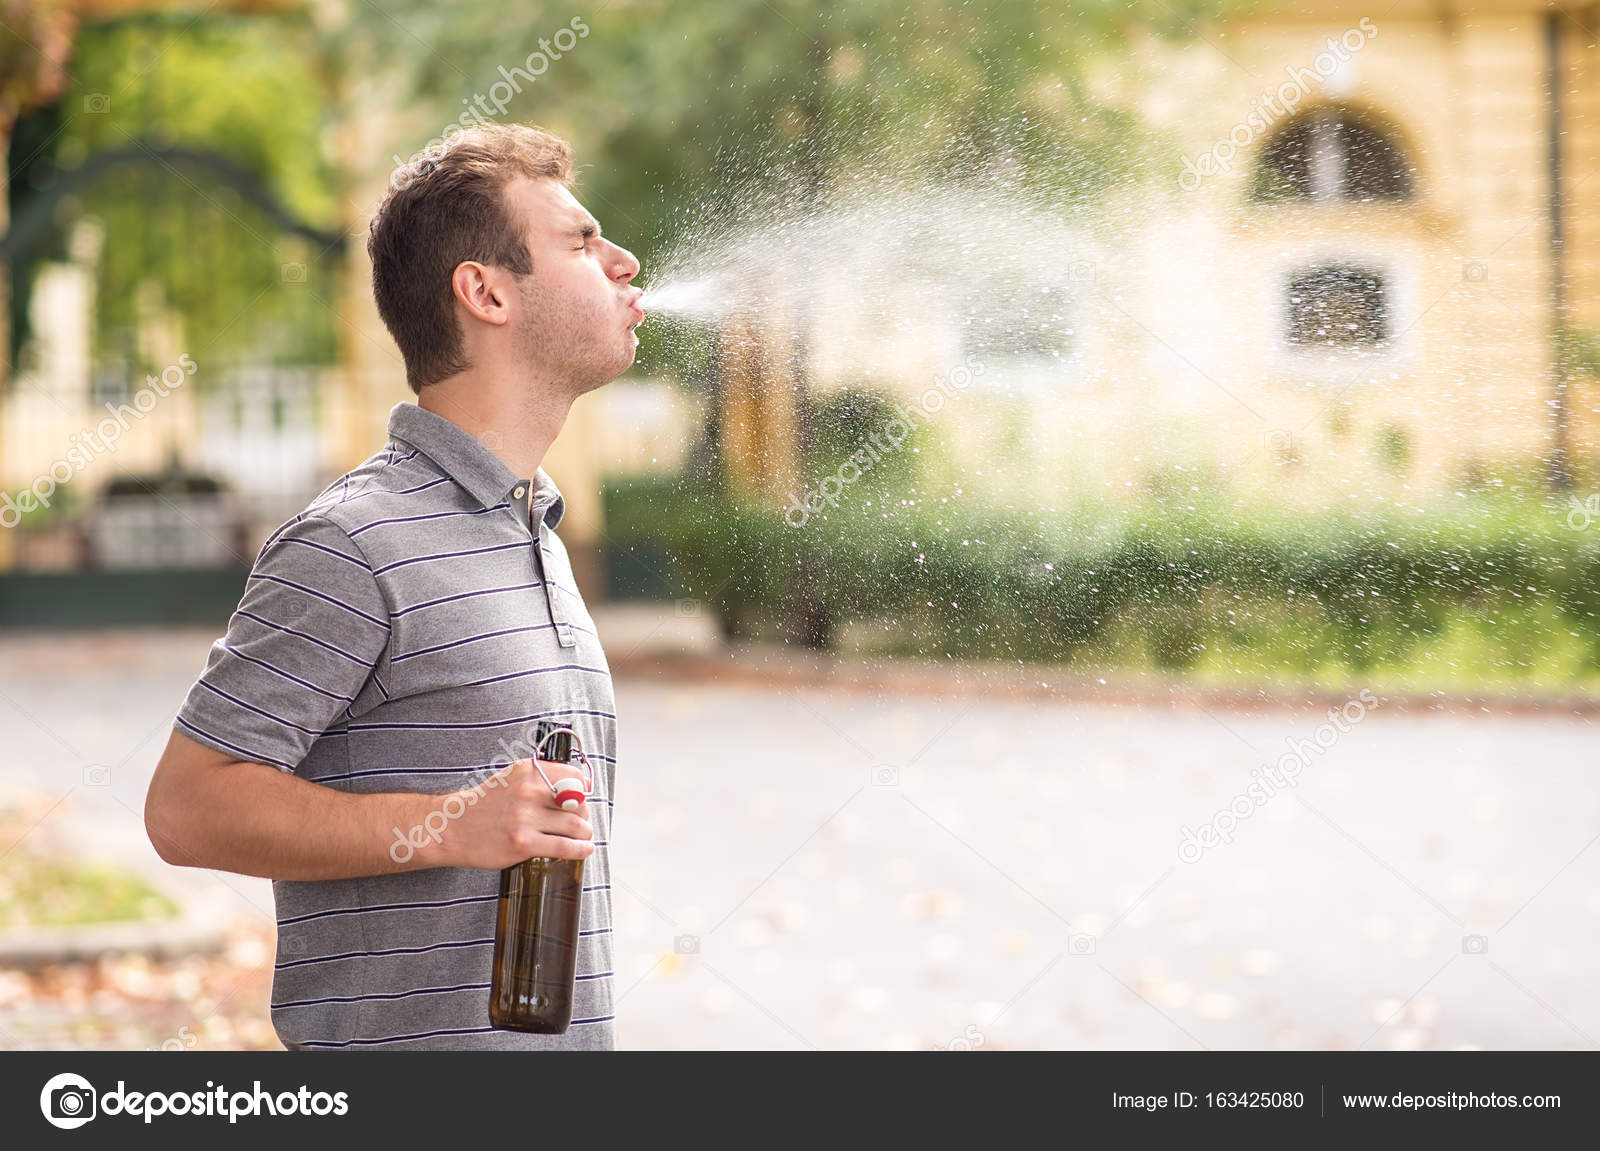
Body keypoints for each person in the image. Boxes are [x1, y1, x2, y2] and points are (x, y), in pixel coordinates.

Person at [144, 123, 644, 1050]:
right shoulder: (352, 543)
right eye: (580, 241)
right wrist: (452, 824)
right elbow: (185, 807)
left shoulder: (532, 532)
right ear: (485, 290)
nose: (623, 261)